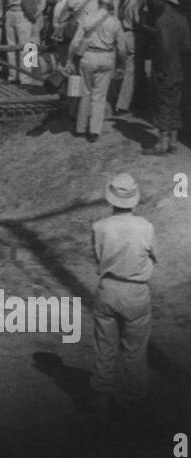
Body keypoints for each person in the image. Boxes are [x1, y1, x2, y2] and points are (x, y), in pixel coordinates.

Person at [90, 173, 155, 421]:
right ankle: (132, 407)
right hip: (136, 290)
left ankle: (100, 406)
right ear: (134, 199)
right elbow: (154, 256)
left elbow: (97, 257)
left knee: (104, 348)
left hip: (107, 289)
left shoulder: (99, 227)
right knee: (135, 352)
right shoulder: (146, 227)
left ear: (111, 199)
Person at [67, 0, 125, 142]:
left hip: (88, 56)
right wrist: (121, 64)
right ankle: (94, 131)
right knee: (99, 96)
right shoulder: (115, 22)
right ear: (111, 5)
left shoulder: (87, 19)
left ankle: (80, 127)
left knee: (85, 92)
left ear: (98, 3)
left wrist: (70, 60)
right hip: (107, 57)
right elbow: (122, 48)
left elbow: (75, 42)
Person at [147, 0, 191, 154]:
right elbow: (187, 46)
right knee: (175, 105)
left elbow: (164, 48)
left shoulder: (162, 21)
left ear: (164, 1)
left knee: (163, 104)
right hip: (178, 68)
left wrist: (162, 67)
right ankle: (173, 143)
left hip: (165, 69)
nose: (155, 1)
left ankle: (161, 145)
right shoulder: (182, 19)